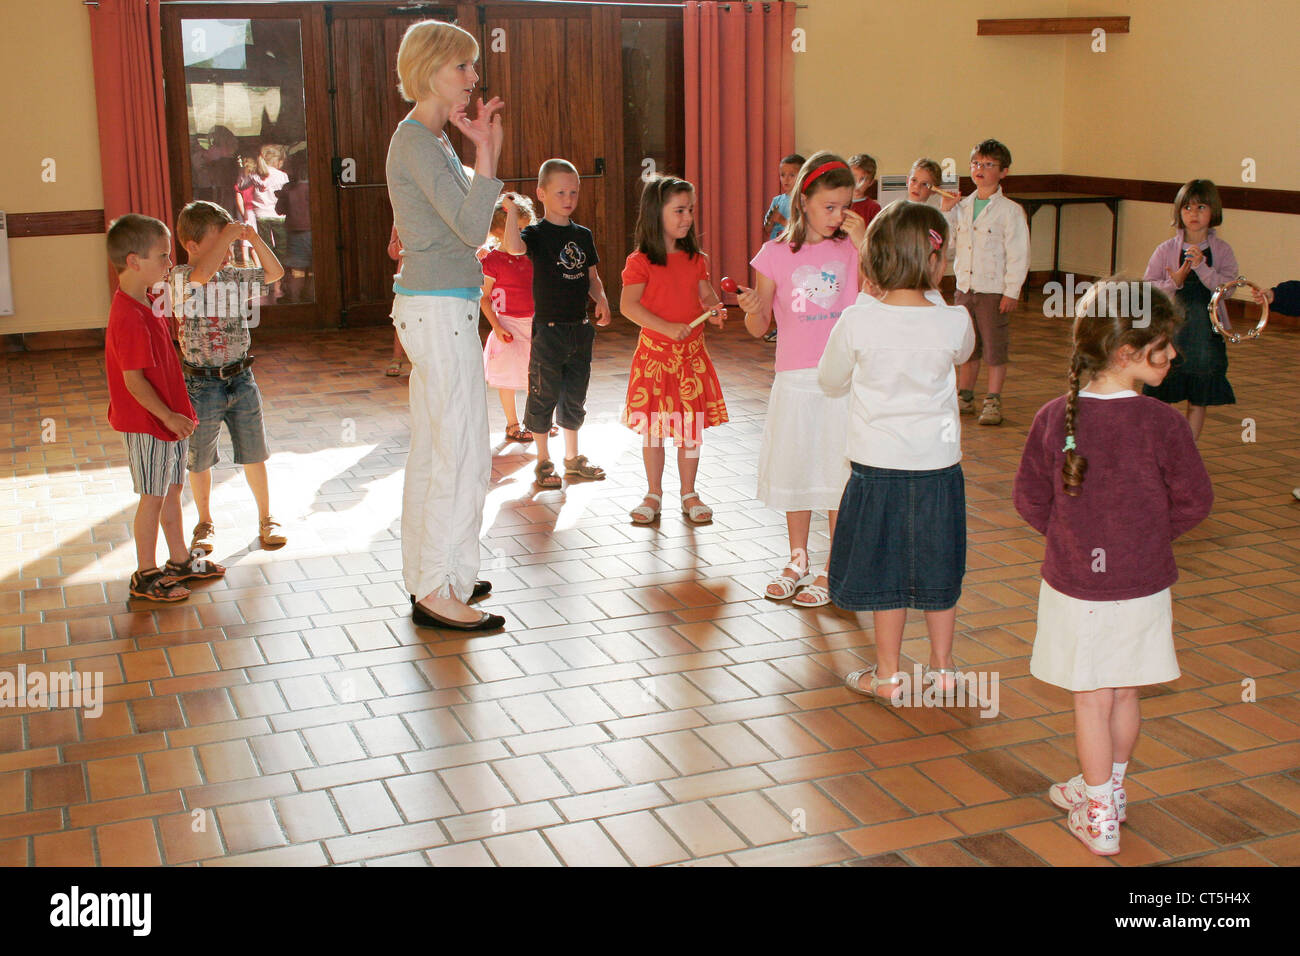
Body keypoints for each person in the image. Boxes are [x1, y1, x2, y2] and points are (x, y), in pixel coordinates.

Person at [1013, 279, 1213, 855]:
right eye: (1164, 344)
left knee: (1091, 700)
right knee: (1125, 693)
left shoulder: (1055, 416)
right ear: (1126, 354)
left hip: (1076, 587)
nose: (1173, 354)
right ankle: (1112, 792)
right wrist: (1145, 539)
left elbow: (1030, 500)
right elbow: (1196, 501)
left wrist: (1074, 539)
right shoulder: (1166, 424)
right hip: (1144, 584)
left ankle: (1097, 809)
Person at [818, 202, 975, 699]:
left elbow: (829, 380)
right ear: (933, 263)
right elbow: (964, 353)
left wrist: (866, 305)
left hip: (877, 471)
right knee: (938, 567)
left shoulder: (857, 321)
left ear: (874, 262)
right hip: (937, 469)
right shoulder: (955, 321)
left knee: (887, 572)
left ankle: (887, 676)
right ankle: (943, 669)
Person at [386, 18, 505, 631]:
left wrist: (476, 155)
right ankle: (436, 588)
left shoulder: (428, 142)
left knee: (447, 449)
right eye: (463, 67)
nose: (474, 78)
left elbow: (458, 223)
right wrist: (487, 153)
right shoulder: (414, 142)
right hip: (437, 311)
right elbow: (471, 228)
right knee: (454, 452)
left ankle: (450, 573)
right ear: (431, 70)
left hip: (442, 307)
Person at [736, 152, 866, 607]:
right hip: (794, 378)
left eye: (845, 207)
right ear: (803, 201)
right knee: (797, 465)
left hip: (842, 382)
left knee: (836, 472)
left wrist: (865, 242)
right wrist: (754, 310)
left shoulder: (853, 250)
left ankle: (834, 565)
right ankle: (797, 557)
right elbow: (759, 328)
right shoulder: (773, 254)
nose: (838, 216)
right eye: (829, 206)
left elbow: (876, 299)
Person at [103, 214, 214, 601]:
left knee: (171, 489)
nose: (170, 263)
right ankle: (145, 574)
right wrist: (166, 415)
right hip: (149, 423)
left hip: (168, 420)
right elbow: (134, 381)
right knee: (152, 497)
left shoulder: (148, 300)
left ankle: (179, 559)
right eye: (164, 256)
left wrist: (174, 414)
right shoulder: (128, 316)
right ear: (134, 261)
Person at [171, 200, 287, 555]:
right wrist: (228, 238)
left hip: (241, 379)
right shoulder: (178, 278)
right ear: (192, 246)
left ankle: (266, 518)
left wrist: (252, 239)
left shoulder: (233, 276)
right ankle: (204, 522)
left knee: (255, 452)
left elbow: (275, 273)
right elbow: (200, 276)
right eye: (217, 240)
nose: (226, 247)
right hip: (201, 384)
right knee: (199, 458)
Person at [620, 175, 729, 524]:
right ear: (656, 213)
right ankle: (653, 493)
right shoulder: (639, 261)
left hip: (692, 359)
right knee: (654, 429)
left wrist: (714, 310)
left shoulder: (696, 259)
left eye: (690, 210)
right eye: (679, 210)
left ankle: (689, 492)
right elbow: (629, 306)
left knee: (691, 428)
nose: (687, 218)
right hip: (655, 359)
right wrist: (666, 328)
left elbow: (706, 293)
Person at [502, 158, 612, 487]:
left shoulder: (583, 234)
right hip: (548, 330)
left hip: (579, 329)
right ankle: (543, 459)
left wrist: (602, 299)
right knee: (543, 392)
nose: (568, 198)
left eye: (573, 192)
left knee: (575, 395)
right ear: (542, 194)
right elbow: (513, 247)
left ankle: (572, 458)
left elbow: (591, 275)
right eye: (560, 192)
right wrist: (510, 213)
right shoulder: (535, 234)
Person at [941, 138, 1030, 426]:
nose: (980, 169)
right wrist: (946, 211)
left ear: (1003, 172)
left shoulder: (1010, 211)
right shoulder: (963, 206)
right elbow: (950, 244)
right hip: (965, 289)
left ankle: (993, 399)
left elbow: (1018, 254)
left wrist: (1011, 291)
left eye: (989, 165)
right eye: (976, 163)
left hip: (993, 291)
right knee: (969, 346)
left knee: (994, 347)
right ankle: (964, 395)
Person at [1141, 180, 1238, 440]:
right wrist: (1175, 282)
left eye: (1201, 207)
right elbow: (1148, 288)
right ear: (1178, 212)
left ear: (1213, 211)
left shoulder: (1222, 251)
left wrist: (1203, 269)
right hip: (1171, 333)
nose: (1193, 214)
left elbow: (1228, 289)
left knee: (1199, 395)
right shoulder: (1165, 250)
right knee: (1164, 392)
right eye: (1187, 208)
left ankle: (1189, 449)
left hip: (1206, 335)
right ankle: (1161, 445)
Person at [481, 193, 540, 443]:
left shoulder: (534, 256)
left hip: (534, 323)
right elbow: (484, 297)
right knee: (507, 376)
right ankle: (512, 423)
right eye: (515, 230)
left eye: (525, 230)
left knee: (535, 374)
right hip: (507, 325)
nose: (521, 236)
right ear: (498, 231)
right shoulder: (492, 261)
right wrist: (496, 326)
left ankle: (536, 420)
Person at [759, 153, 805, 343]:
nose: (785, 179)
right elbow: (767, 228)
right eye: (782, 175)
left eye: (791, 175)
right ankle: (780, 326)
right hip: (778, 253)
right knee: (778, 293)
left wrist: (782, 220)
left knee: (794, 291)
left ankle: (795, 325)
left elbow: (802, 228)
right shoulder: (777, 200)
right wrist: (771, 221)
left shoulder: (803, 201)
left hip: (795, 253)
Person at [275, 150, 312, 302]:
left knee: (297, 269)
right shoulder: (314, 187)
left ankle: (295, 299)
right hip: (313, 230)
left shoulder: (288, 189)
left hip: (295, 232)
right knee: (313, 269)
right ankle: (311, 298)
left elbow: (279, 210)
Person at [386, 224, 409, 376]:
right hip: (407, 279)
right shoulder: (400, 220)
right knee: (402, 318)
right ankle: (397, 357)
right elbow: (393, 253)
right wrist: (402, 241)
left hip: (431, 278)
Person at [848, 153, 881, 227]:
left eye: (863, 179)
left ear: (870, 182)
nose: (858, 184)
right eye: (853, 178)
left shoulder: (873, 208)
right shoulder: (838, 204)